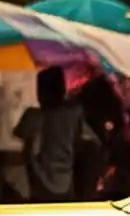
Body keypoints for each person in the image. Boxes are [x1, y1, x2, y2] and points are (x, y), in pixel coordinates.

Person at [13, 66, 94, 203]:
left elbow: (19, 136)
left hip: (38, 180)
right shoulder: (73, 113)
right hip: (67, 180)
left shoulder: (33, 115)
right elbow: (88, 142)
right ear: (62, 89)